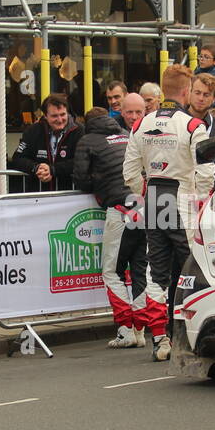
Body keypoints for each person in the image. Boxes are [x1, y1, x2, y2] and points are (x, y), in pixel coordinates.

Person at [123, 64, 213, 362]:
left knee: (156, 270)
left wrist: (145, 192)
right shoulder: (192, 126)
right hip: (181, 200)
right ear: (187, 92)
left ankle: (161, 339)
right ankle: (188, 333)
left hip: (152, 199)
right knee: (192, 266)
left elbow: (130, 173)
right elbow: (207, 170)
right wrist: (196, 199)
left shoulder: (140, 124)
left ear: (163, 91)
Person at [74, 107, 148, 349]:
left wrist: (98, 180)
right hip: (144, 205)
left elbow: (81, 179)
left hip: (120, 208)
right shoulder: (127, 134)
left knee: (111, 271)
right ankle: (139, 329)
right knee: (139, 270)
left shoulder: (87, 140)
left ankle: (125, 329)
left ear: (87, 123)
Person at [11, 93, 83, 192]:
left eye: (63, 114)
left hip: (70, 195)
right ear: (45, 116)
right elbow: (18, 158)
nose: (60, 120)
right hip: (39, 196)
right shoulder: (33, 130)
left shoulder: (79, 131)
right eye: (54, 116)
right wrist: (36, 168)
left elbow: (82, 161)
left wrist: (53, 170)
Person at [187, 73, 215, 138]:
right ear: (190, 93)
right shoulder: (175, 122)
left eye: (206, 95)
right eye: (197, 93)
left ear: (214, 99)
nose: (201, 98)